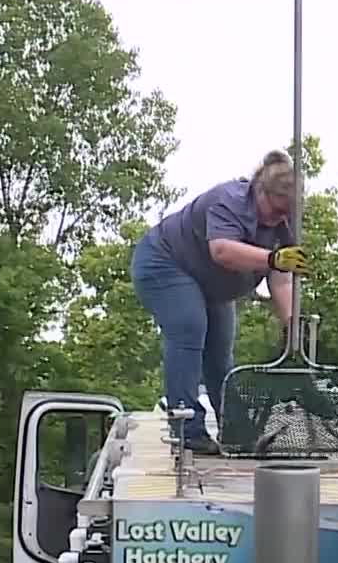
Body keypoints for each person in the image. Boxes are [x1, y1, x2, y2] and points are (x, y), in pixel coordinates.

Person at [131, 150, 311, 456]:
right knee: (189, 327)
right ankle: (187, 429)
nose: (278, 218)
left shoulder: (285, 220)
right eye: (275, 210)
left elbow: (281, 276)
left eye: (285, 213)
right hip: (166, 263)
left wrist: (292, 325)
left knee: (220, 355)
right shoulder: (227, 200)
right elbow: (223, 251)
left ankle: (237, 430)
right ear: (259, 191)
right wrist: (272, 258)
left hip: (212, 286)